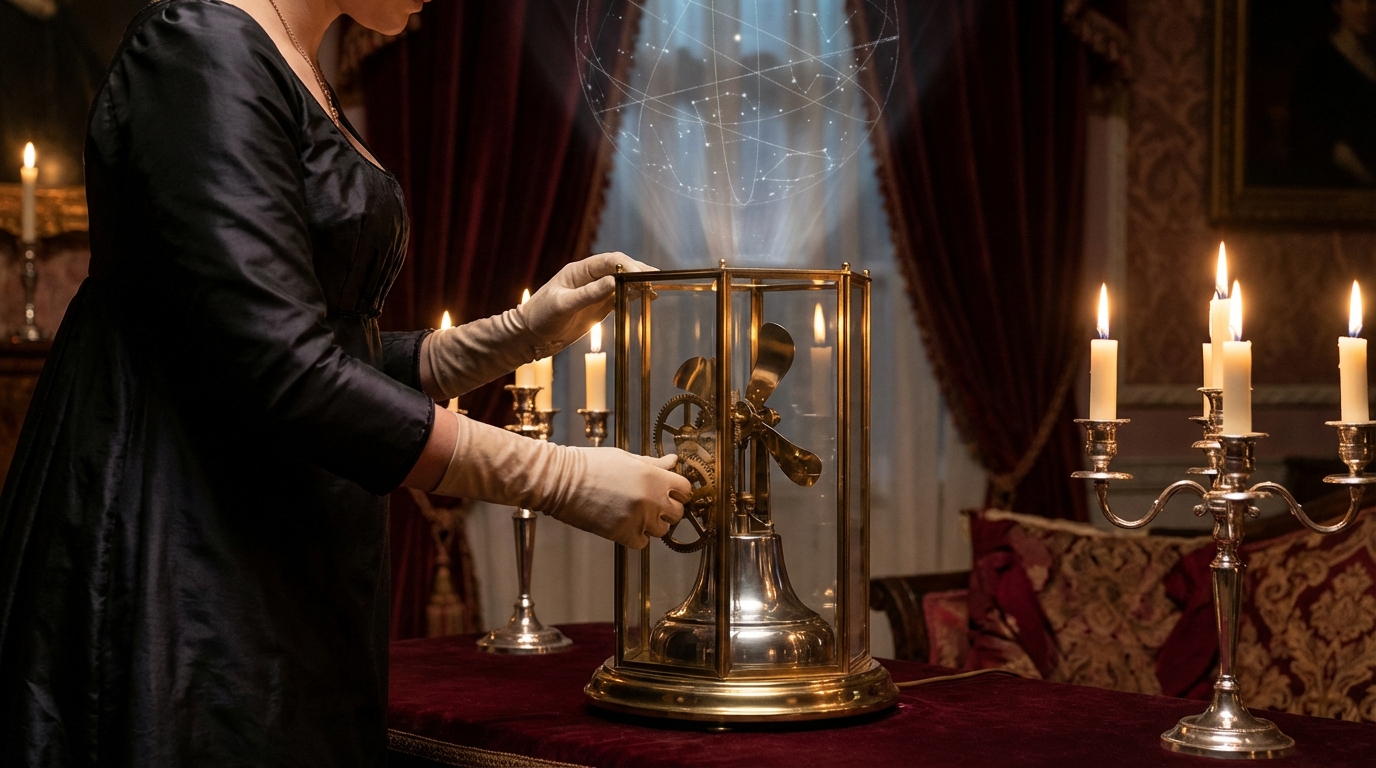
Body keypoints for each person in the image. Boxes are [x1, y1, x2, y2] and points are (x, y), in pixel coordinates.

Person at [0, 0, 689, 764]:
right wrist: (558, 477)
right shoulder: (200, 47)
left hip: (279, 549)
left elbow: (325, 344)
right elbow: (283, 367)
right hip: (181, 564)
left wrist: (525, 331)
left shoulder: (284, 56)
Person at [1289, 0, 1376, 185]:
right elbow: (1318, 145)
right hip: (1338, 187)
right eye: (1356, 0)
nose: (1367, 9)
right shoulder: (1316, 66)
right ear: (1337, 6)